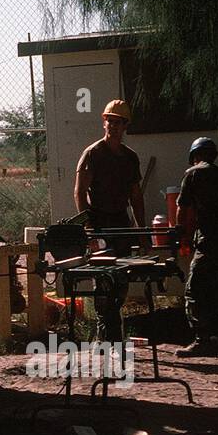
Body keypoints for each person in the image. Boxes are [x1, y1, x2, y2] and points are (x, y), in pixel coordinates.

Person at [73, 99, 145, 341]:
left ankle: (109, 334)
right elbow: (80, 192)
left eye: (117, 122)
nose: (112, 126)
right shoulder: (93, 154)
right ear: (104, 123)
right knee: (103, 280)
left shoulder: (130, 157)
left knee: (121, 278)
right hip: (99, 223)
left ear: (125, 126)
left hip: (121, 223)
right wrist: (89, 228)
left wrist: (141, 230)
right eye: (109, 121)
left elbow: (136, 195)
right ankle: (106, 336)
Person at [175, 137, 218, 357]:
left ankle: (201, 339)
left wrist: (181, 237)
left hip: (207, 242)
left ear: (195, 156)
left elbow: (183, 210)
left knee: (194, 291)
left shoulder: (192, 173)